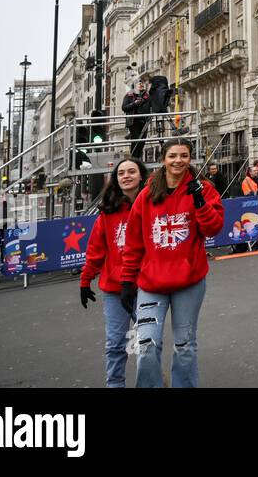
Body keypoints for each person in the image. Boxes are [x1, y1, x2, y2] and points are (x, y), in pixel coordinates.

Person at [120, 139, 225, 388]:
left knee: (184, 345)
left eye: (184, 155)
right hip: (151, 283)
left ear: (190, 158)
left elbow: (213, 229)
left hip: (189, 281)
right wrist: (127, 279)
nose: (178, 160)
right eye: (173, 156)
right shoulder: (146, 195)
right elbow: (134, 242)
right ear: (163, 159)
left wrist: (200, 202)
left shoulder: (204, 189)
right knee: (146, 346)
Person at [79, 155, 147, 388]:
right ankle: (115, 385)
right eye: (121, 173)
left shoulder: (151, 205)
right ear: (115, 179)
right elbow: (96, 249)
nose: (126, 176)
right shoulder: (108, 212)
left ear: (141, 176)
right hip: (115, 289)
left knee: (143, 344)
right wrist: (85, 280)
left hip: (146, 287)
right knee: (116, 344)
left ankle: (146, 383)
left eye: (131, 171)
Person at [121, 82, 152, 159]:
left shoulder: (147, 95)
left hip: (144, 121)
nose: (141, 85)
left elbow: (152, 105)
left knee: (142, 141)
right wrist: (134, 103)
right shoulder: (129, 95)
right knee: (135, 142)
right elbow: (124, 107)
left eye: (142, 84)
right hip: (133, 121)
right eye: (139, 84)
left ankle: (138, 158)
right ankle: (134, 158)